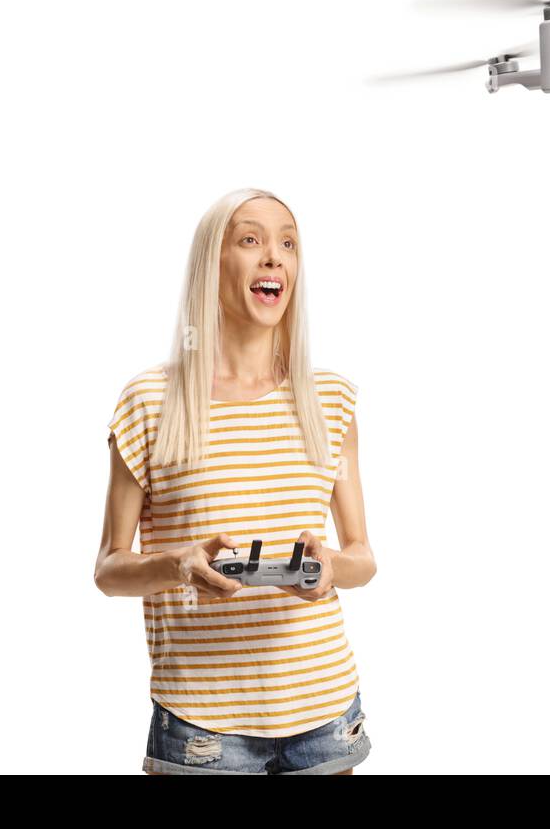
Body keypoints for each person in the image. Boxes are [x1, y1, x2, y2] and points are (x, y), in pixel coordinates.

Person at [95, 187, 376, 775]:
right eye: (251, 240)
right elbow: (109, 569)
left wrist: (329, 568)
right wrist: (176, 565)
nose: (274, 257)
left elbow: (362, 557)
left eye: (288, 244)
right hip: (203, 728)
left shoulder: (331, 401)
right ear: (211, 265)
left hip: (325, 715)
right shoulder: (149, 404)